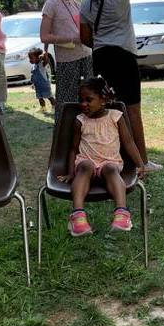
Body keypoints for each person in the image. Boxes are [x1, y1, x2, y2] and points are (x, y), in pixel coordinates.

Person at [79, 0, 163, 173]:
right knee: (132, 110)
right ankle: (142, 162)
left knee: (110, 108)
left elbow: (85, 37)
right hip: (123, 57)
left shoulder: (87, 3)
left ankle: (112, 157)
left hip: (100, 57)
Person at [58, 76, 146, 237]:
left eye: (89, 100)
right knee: (85, 167)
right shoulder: (80, 121)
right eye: (81, 99)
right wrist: (71, 172)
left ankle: (122, 214)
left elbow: (129, 143)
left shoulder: (116, 116)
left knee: (111, 169)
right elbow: (73, 149)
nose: (83, 104)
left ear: (103, 100)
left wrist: (140, 164)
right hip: (86, 161)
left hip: (110, 161)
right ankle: (78, 216)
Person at [40, 0, 92, 122]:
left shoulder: (77, 1)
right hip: (68, 61)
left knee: (88, 97)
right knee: (68, 102)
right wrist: (71, 38)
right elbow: (44, 36)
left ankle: (87, 131)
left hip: (86, 55)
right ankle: (64, 136)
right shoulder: (51, 4)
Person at [28, 48, 56, 112]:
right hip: (37, 86)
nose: (30, 60)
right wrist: (33, 84)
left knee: (49, 97)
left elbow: (46, 60)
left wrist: (44, 56)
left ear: (38, 57)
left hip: (44, 85)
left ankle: (54, 107)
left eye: (31, 58)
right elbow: (33, 76)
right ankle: (43, 108)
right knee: (40, 98)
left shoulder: (41, 64)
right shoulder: (33, 66)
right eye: (29, 58)